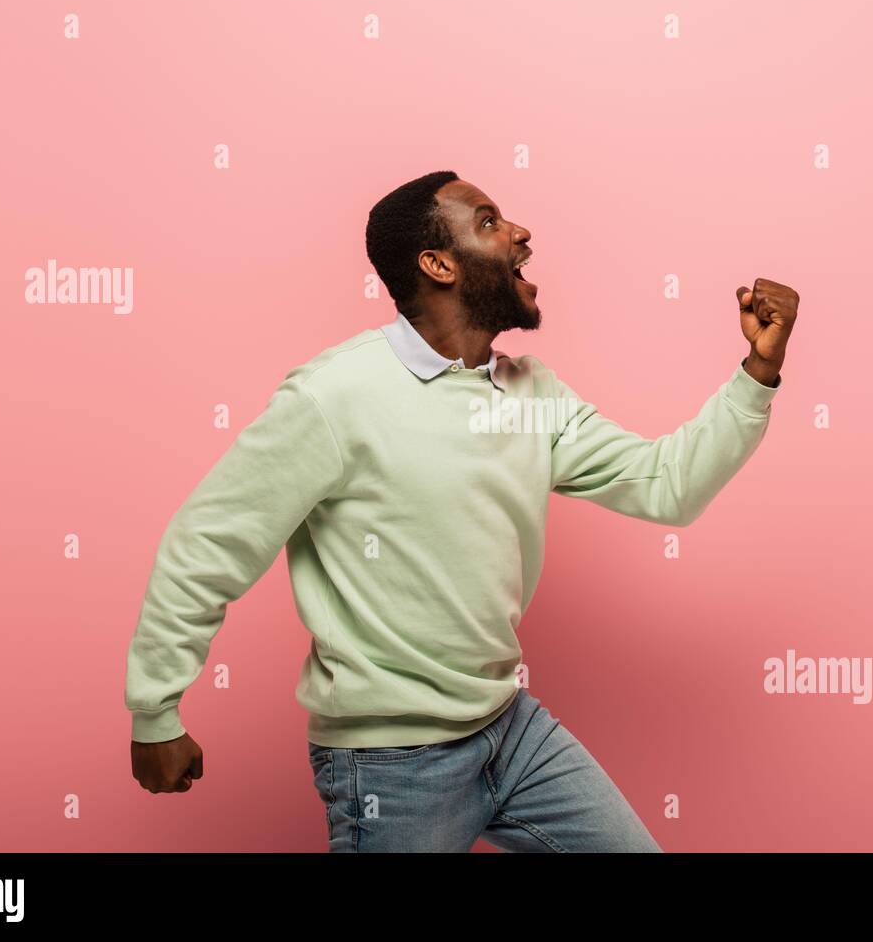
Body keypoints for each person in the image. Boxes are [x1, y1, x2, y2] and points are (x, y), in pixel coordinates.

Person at [126, 170, 799, 852]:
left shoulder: (531, 393)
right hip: (394, 761)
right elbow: (209, 541)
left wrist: (757, 374)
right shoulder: (336, 395)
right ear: (438, 264)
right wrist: (155, 712)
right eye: (488, 221)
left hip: (510, 728)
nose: (520, 233)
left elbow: (667, 484)